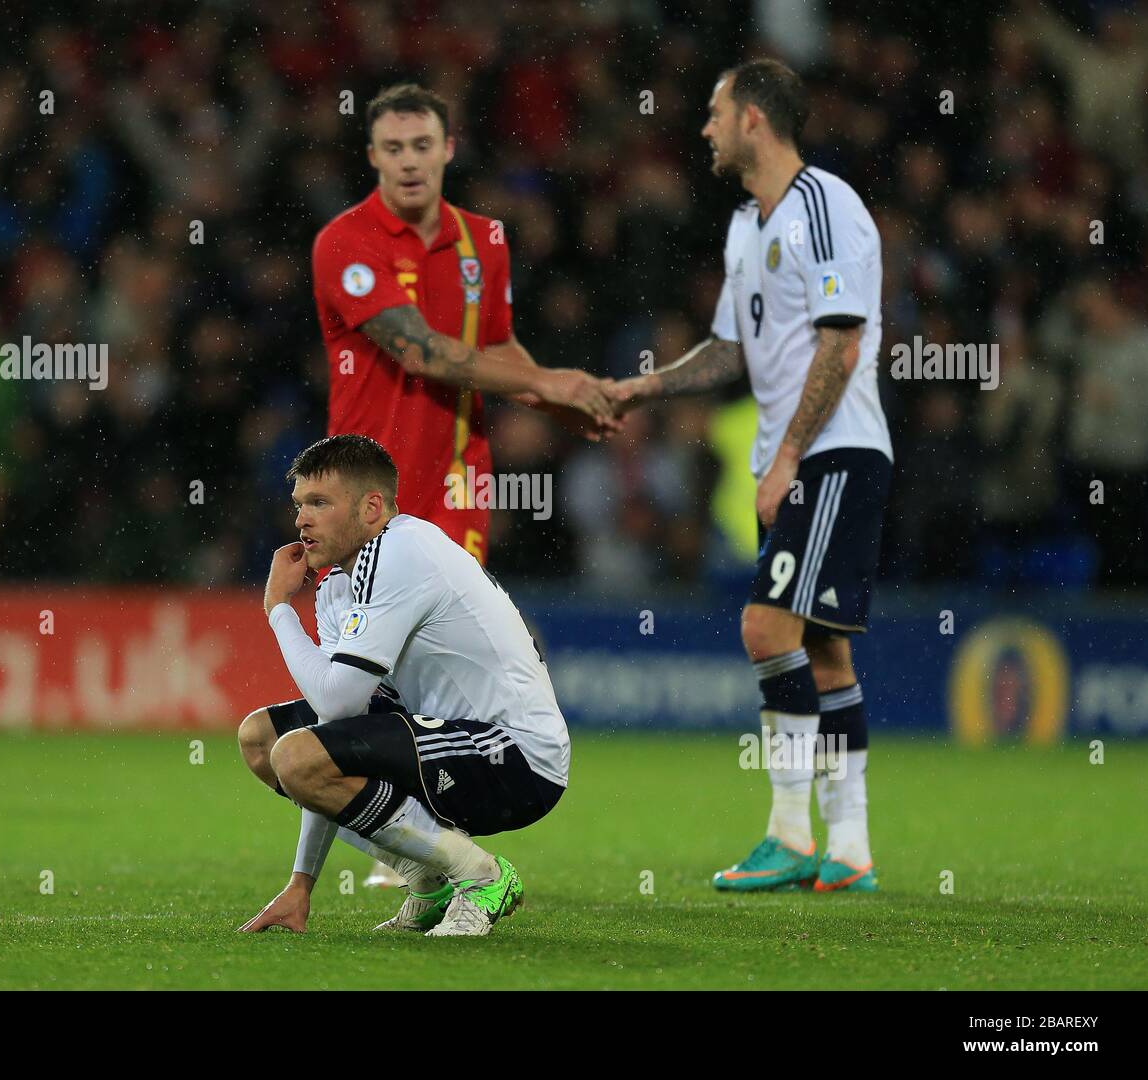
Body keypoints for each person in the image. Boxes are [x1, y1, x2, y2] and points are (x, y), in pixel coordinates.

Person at [311, 83, 614, 886]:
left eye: (423, 146)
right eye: (394, 148)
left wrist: (555, 395)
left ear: (449, 150)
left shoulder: (486, 242)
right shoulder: (344, 243)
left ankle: (432, 834)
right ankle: (404, 834)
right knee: (370, 667)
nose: (410, 161)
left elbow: (498, 345)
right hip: (364, 494)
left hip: (454, 483)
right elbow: (423, 353)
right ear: (372, 156)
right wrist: (556, 386)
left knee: (444, 662)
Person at [610, 59, 892, 893]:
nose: (705, 127)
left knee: (765, 632)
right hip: (803, 456)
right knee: (827, 653)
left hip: (835, 451)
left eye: (714, 111)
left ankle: (785, 833)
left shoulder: (827, 206)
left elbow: (841, 341)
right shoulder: (745, 224)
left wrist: (789, 458)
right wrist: (646, 388)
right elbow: (732, 349)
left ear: (755, 121)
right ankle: (850, 849)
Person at [236, 434, 570, 936]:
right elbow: (333, 724)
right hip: (445, 738)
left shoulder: (404, 551)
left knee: (294, 754)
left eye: (320, 503)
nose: (302, 519)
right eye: (299, 504)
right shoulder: (336, 586)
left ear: (372, 507)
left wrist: (279, 610)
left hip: (518, 755)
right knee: (263, 740)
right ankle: (427, 876)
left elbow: (335, 699)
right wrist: (301, 882)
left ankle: (480, 876)